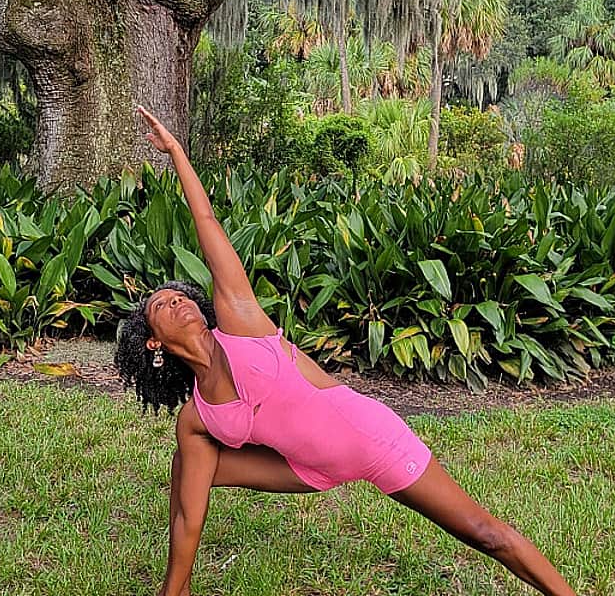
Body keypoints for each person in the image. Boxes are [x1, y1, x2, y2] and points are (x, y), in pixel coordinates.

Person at [116, 106, 578, 596]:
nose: (177, 301)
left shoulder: (241, 322)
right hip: (304, 469)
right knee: (186, 465)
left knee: (486, 535)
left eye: (181, 295)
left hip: (369, 439)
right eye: (161, 305)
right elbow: (188, 513)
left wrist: (177, 153)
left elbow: (206, 220)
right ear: (154, 344)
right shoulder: (197, 416)